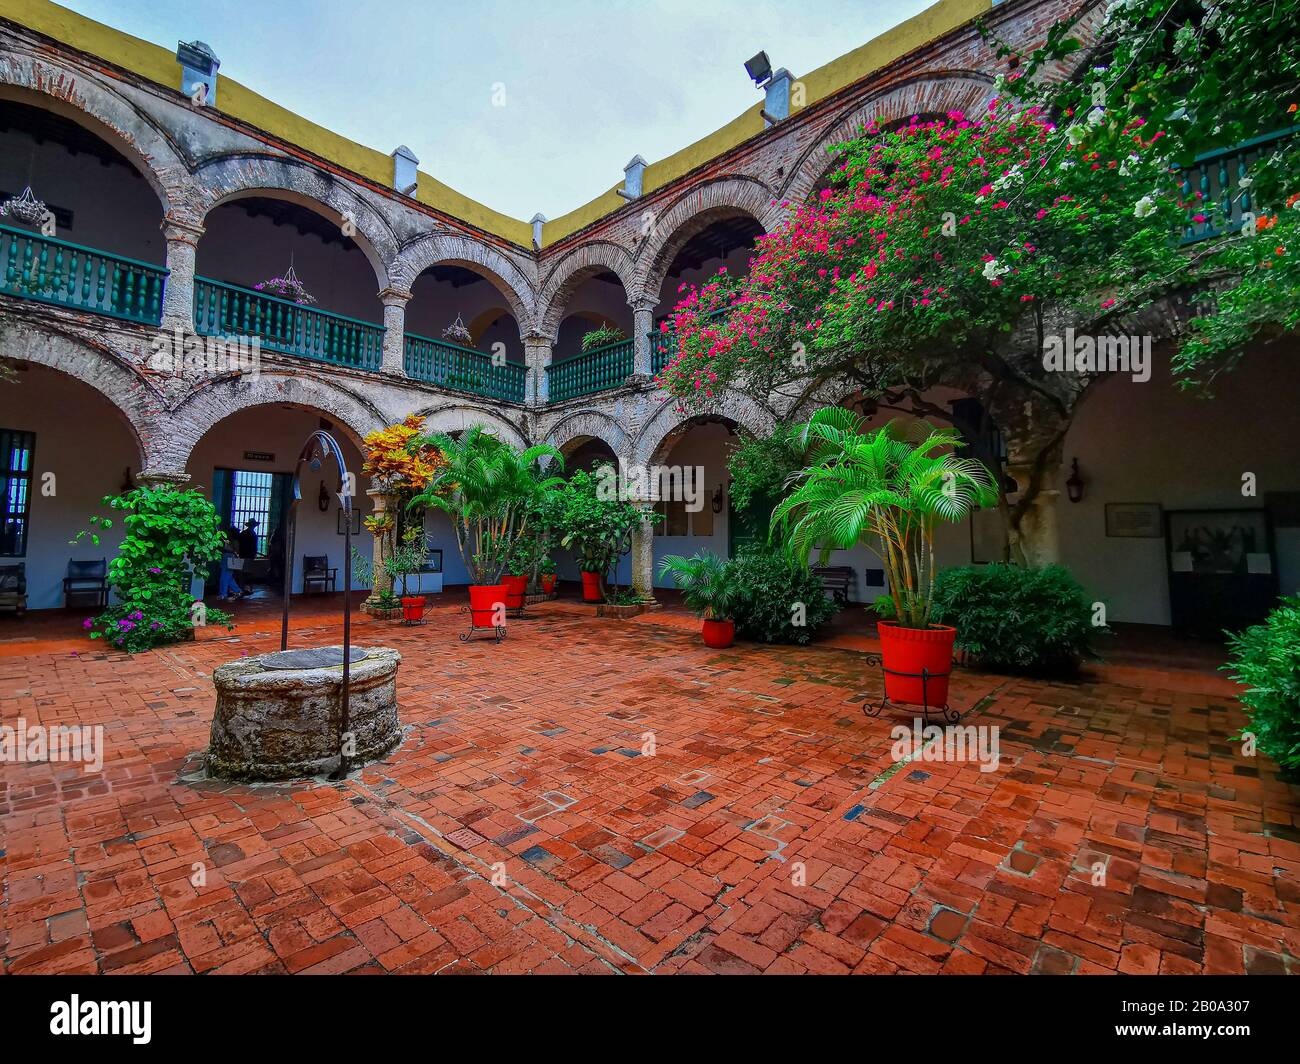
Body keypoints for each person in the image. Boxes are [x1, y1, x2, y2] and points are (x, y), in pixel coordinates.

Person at [217, 528, 241, 600]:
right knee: (228, 577)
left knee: (224, 577)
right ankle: (238, 591)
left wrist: (227, 546)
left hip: (229, 558)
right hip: (227, 558)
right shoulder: (231, 541)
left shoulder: (234, 541)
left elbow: (235, 551)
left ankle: (223, 594)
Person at [236, 519, 259, 596]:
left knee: (243, 572)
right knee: (247, 572)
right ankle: (246, 588)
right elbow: (254, 546)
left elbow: (238, 543)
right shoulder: (252, 534)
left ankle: (242, 587)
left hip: (243, 554)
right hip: (249, 555)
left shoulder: (243, 533)